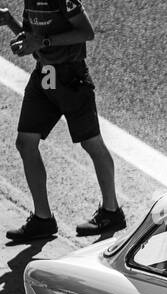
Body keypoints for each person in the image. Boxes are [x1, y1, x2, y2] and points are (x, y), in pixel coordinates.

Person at [5, 0, 125, 244]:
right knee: (25, 143)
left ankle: (112, 212)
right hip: (44, 77)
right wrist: (10, 23)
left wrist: (45, 42)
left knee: (91, 144)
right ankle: (43, 219)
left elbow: (86, 32)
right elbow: (32, 40)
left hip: (72, 78)